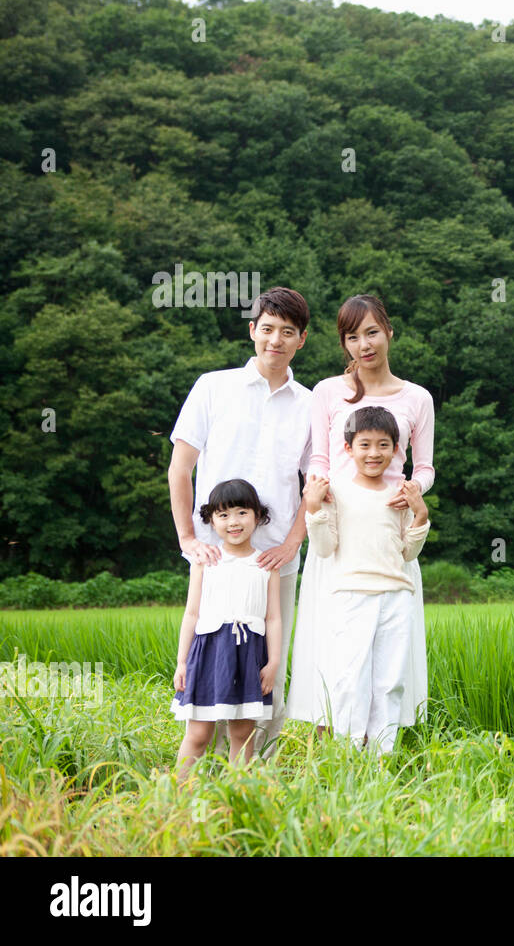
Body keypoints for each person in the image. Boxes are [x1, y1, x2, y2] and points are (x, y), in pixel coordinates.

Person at [167, 287, 313, 759]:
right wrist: (189, 536)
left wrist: (293, 543)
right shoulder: (213, 386)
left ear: (301, 340)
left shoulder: (311, 404)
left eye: (287, 332)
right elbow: (180, 466)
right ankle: (193, 766)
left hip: (273, 558)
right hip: (215, 556)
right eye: (267, 329)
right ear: (253, 331)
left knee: (271, 666)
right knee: (204, 652)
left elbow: (315, 484)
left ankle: (254, 779)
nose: (276, 340)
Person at [286, 294, 435, 734]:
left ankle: (381, 746)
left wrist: (412, 492)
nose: (363, 345)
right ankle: (332, 748)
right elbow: (319, 458)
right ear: (344, 343)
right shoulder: (328, 392)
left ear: (389, 331)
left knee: (388, 654)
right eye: (352, 337)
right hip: (334, 533)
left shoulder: (417, 398)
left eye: (371, 332)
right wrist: (317, 489)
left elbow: (423, 467)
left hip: (388, 534)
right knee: (332, 649)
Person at [303, 406, 430, 752]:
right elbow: (325, 547)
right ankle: (348, 753)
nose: (374, 453)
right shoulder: (336, 491)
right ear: (348, 449)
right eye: (365, 445)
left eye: (383, 445)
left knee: (390, 681)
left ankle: (381, 756)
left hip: (396, 596)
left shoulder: (401, 494)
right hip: (351, 596)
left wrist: (420, 514)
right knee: (350, 678)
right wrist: (313, 509)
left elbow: (407, 553)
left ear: (395, 449)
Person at [172, 480, 282, 780]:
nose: (233, 522)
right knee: (198, 733)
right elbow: (191, 613)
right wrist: (182, 662)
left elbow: (273, 618)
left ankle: (236, 795)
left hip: (249, 655)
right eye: (223, 515)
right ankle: (177, 796)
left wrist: (273, 663)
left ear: (257, 516)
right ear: (211, 520)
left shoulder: (266, 564)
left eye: (241, 512)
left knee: (243, 733)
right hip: (208, 653)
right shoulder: (205, 562)